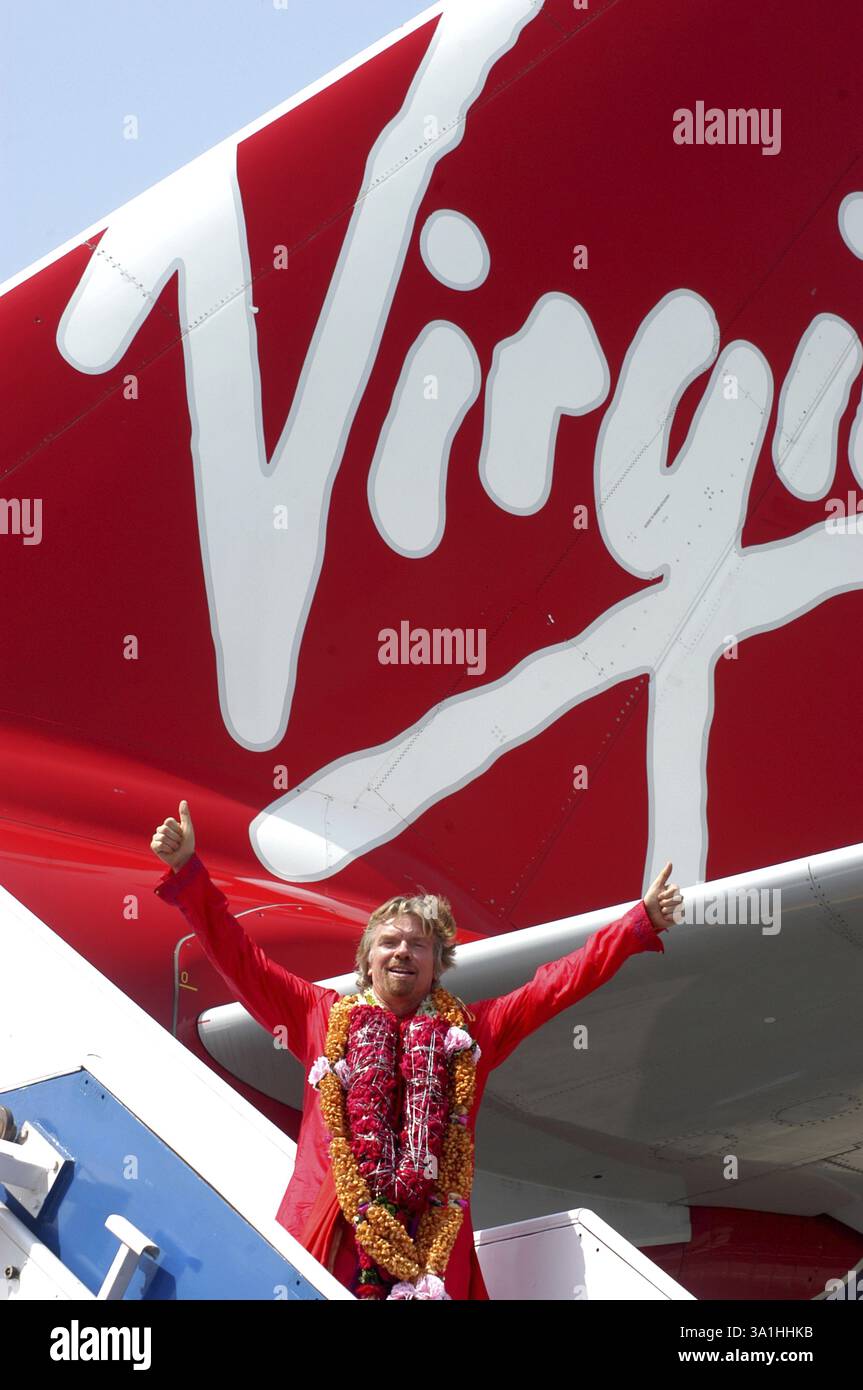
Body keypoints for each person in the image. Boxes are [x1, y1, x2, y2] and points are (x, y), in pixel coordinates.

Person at [151, 800, 682, 1300]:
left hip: (432, 1256)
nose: (402, 951)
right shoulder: (319, 1017)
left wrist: (637, 925)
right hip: (333, 1244)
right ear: (368, 959)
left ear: (437, 961)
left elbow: (558, 984)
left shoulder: (473, 1033)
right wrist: (188, 871)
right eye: (389, 941)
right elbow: (239, 958)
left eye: (418, 944)